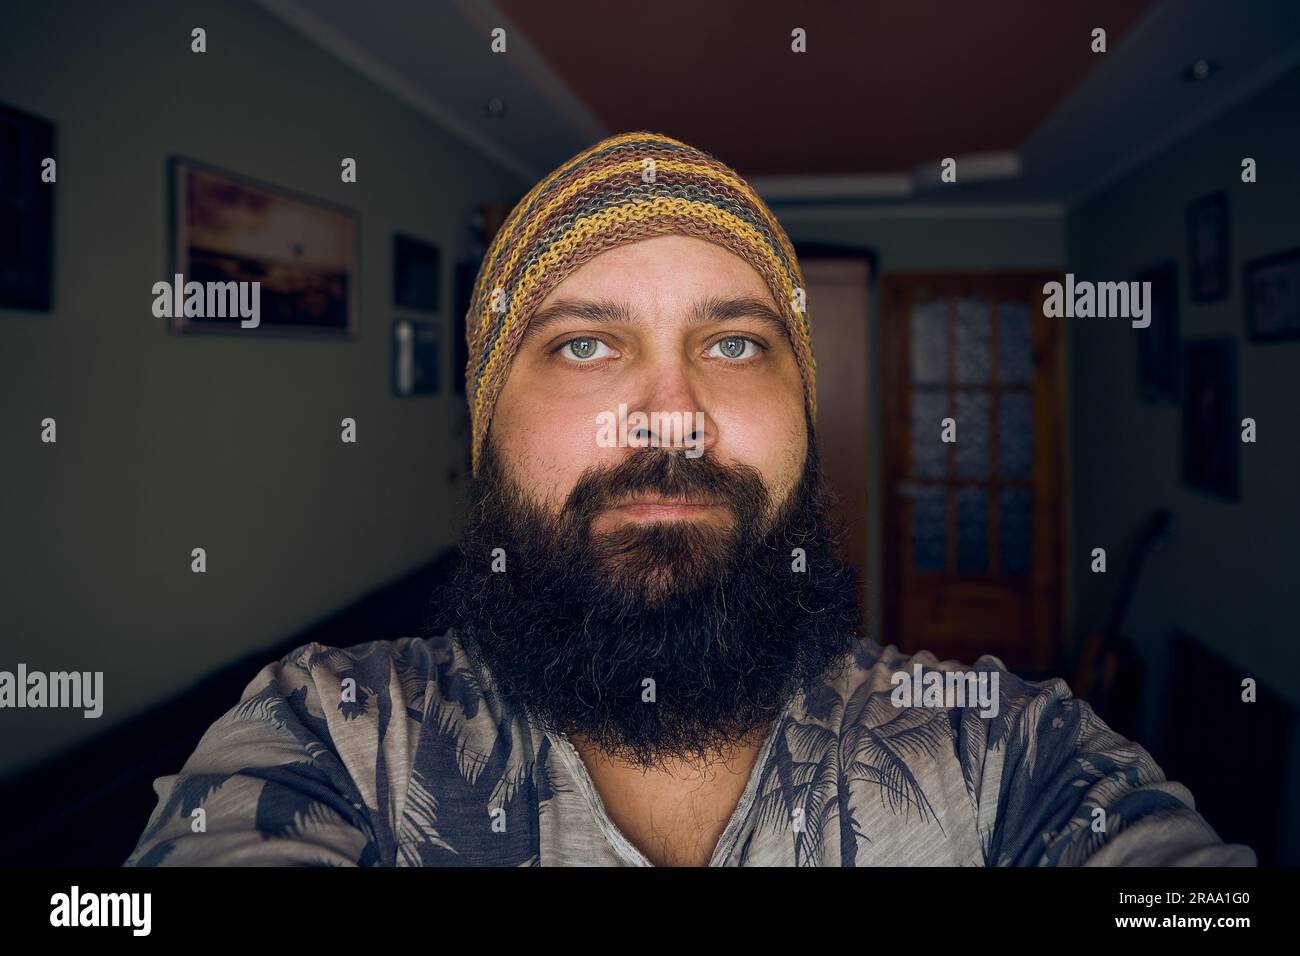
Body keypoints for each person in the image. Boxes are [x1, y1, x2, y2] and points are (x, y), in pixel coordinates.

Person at [123, 131, 1254, 867]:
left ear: (807, 418)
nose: (670, 415)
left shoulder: (1008, 753)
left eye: (733, 341)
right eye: (581, 345)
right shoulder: (328, 739)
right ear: (484, 428)